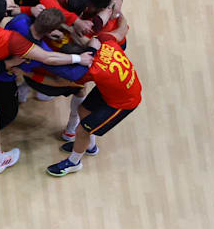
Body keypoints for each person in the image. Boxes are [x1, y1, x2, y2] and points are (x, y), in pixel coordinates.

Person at [0, 7, 93, 163]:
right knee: (7, 114)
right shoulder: (39, 50)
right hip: (4, 78)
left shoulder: (19, 21)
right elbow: (58, 64)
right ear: (51, 30)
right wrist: (81, 57)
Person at [47, 15, 142, 177]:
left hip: (124, 102)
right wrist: (118, 14)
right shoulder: (106, 41)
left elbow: (60, 82)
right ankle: (88, 147)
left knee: (82, 129)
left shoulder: (92, 70)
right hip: (117, 87)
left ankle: (74, 162)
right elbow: (122, 30)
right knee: (83, 110)